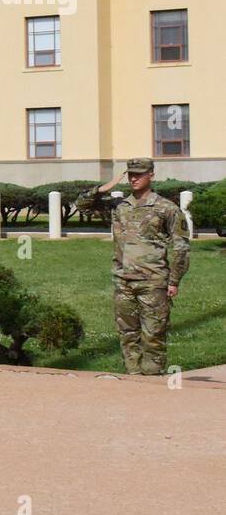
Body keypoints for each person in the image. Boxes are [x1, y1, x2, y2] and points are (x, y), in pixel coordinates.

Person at [75, 158, 190, 375]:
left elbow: (182, 246)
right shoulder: (119, 206)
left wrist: (174, 280)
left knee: (154, 336)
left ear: (151, 175)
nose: (134, 178)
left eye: (139, 174)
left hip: (153, 282)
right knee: (127, 334)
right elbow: (81, 205)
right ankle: (134, 380)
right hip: (123, 281)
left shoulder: (166, 208)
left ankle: (153, 380)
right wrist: (102, 189)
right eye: (130, 174)